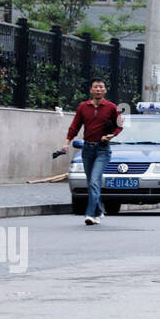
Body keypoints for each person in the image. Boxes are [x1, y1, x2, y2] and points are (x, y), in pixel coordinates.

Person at [61, 78, 123, 226]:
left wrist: (111, 135)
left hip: (103, 150)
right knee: (90, 183)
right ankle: (98, 210)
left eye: (101, 87)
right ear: (91, 90)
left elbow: (119, 126)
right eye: (96, 87)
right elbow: (74, 127)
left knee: (95, 181)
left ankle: (89, 214)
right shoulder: (83, 107)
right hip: (87, 149)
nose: (98, 89)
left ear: (105, 90)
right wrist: (66, 143)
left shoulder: (112, 107)